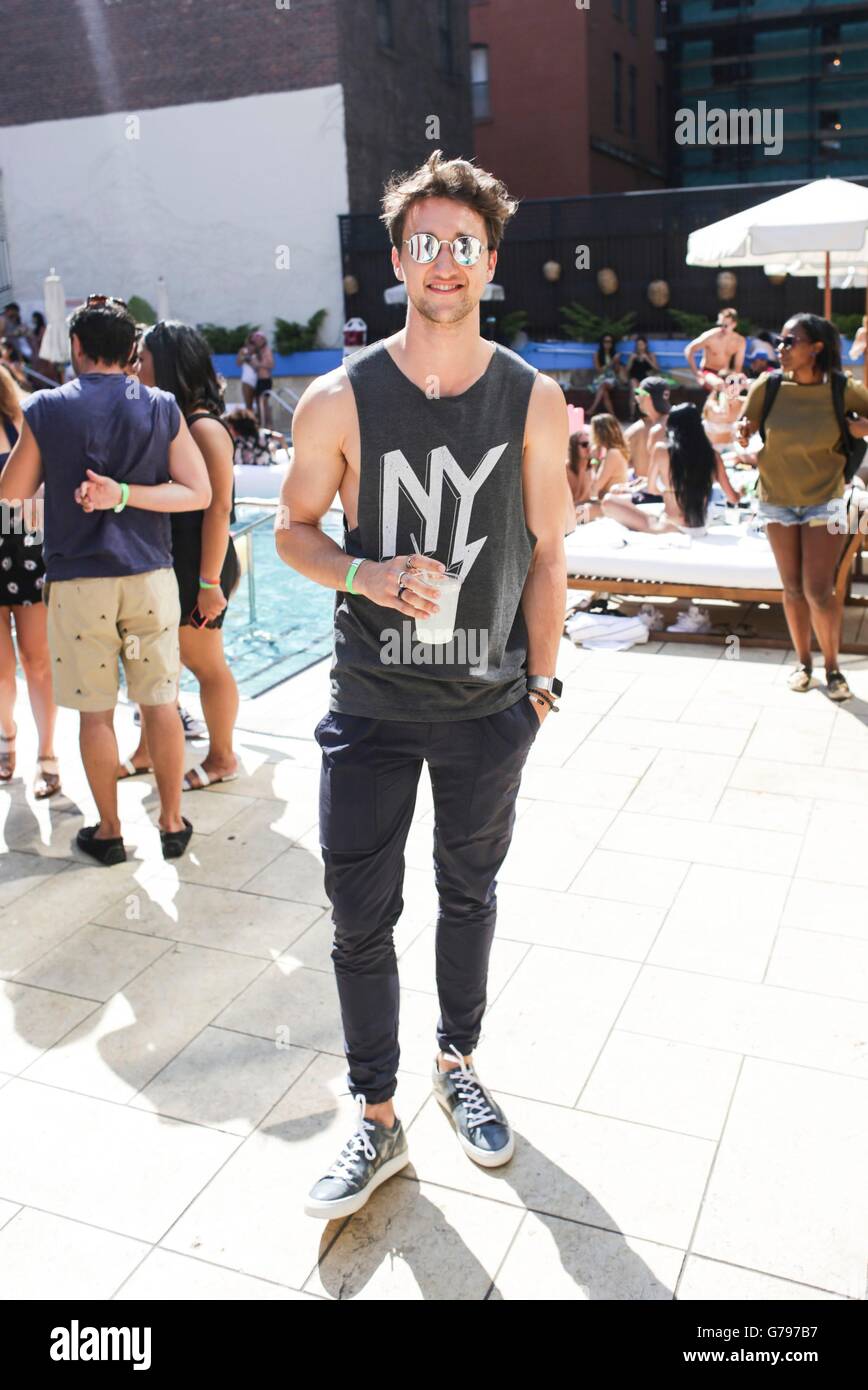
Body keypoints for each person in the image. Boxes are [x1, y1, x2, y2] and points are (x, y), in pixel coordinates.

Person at [275, 149, 567, 1219]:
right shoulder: (336, 399)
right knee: (358, 915)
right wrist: (364, 570)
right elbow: (291, 530)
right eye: (425, 243)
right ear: (398, 257)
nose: (444, 262)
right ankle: (376, 1118)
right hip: (371, 709)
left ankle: (457, 1064)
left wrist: (542, 687)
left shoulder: (534, 401)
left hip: (489, 710)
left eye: (465, 245)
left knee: (469, 895)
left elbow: (545, 553)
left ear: (490, 261)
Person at [0, 295, 212, 863]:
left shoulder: (46, 407)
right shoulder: (162, 405)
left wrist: (73, 492)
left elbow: (11, 495)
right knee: (160, 703)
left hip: (79, 582)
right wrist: (127, 494)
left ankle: (110, 833)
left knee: (95, 714)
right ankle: (171, 823)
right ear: (133, 351)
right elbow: (198, 492)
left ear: (75, 348)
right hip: (149, 577)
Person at [119, 322, 240, 790]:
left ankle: (223, 756)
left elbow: (220, 509)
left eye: (142, 358)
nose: (135, 366)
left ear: (165, 363)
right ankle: (148, 750)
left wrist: (210, 584)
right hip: (177, 558)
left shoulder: (203, 426)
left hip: (199, 561)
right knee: (158, 661)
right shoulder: (171, 419)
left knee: (205, 665)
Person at [736, 313, 868, 701]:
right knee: (792, 589)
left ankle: (833, 668)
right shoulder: (769, 385)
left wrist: (863, 428)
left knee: (819, 591)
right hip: (775, 501)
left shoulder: (841, 388)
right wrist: (743, 433)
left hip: (824, 502)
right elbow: (744, 430)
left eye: (790, 342)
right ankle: (804, 664)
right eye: (780, 341)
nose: (780, 349)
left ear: (816, 349)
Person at [0, 366, 59, 796]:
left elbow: (47, 485)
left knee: (38, 661)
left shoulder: (24, 420)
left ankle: (47, 753)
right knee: (1, 670)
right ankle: (7, 735)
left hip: (26, 548)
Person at [603, 402, 740, 536]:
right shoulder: (713, 455)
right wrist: (740, 493)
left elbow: (652, 489)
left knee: (609, 501)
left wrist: (667, 489)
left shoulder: (662, 450)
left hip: (670, 526)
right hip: (700, 527)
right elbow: (733, 498)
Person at [575, 413, 630, 522]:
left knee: (576, 512)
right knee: (571, 508)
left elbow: (594, 488)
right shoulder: (611, 452)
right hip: (609, 503)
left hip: (613, 505)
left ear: (599, 433)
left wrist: (591, 462)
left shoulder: (613, 453)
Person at [623, 376, 671, 502]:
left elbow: (624, 465)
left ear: (648, 397)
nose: (637, 398)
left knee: (608, 500)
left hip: (656, 494)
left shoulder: (637, 432)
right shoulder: (678, 422)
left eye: (638, 393)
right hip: (673, 492)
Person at [685, 308, 746, 391]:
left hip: (725, 373)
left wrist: (736, 380)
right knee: (719, 384)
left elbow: (738, 366)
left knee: (745, 382)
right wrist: (697, 374)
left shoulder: (739, 341)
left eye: (725, 325)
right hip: (708, 372)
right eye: (720, 324)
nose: (722, 328)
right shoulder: (711, 336)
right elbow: (689, 349)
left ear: (734, 324)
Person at [589, 333, 624, 417]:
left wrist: (616, 362)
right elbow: (599, 370)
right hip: (600, 378)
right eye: (605, 341)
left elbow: (616, 371)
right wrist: (612, 361)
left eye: (610, 342)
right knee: (604, 393)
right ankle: (613, 416)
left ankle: (593, 408)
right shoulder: (597, 354)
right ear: (602, 342)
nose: (608, 343)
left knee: (604, 386)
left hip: (612, 379)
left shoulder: (614, 354)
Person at [625, 336, 660, 416]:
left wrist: (647, 359)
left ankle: (644, 414)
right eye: (638, 345)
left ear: (646, 345)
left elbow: (657, 369)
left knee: (643, 393)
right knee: (634, 391)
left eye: (642, 344)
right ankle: (633, 414)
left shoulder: (650, 355)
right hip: (634, 377)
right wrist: (631, 360)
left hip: (646, 378)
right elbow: (627, 370)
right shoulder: (633, 355)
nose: (640, 347)